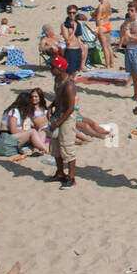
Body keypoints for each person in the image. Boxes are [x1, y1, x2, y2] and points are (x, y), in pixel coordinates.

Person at [48, 56, 78, 188]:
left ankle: (71, 177)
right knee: (55, 147)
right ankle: (60, 172)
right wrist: (51, 106)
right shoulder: (57, 80)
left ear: (59, 69)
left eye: (53, 67)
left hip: (66, 118)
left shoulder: (69, 85)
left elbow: (71, 108)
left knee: (67, 147)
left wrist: (58, 122)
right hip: (58, 115)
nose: (50, 69)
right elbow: (58, 98)